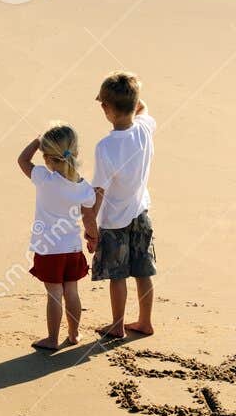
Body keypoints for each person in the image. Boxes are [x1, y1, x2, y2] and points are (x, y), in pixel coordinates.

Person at [84, 73, 157, 340]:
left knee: (118, 275)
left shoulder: (105, 147)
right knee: (143, 270)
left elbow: (99, 190)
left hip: (115, 220)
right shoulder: (145, 128)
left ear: (106, 109)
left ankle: (118, 325)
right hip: (141, 213)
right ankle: (145, 321)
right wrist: (134, 97)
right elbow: (144, 109)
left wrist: (90, 222)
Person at [17, 125, 96, 351]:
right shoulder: (84, 188)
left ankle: (52, 339)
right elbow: (89, 218)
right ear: (75, 152)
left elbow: (22, 161)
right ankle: (74, 334)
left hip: (48, 250)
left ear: (48, 158)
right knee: (72, 292)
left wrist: (36, 140)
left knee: (54, 295)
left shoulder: (44, 178)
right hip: (72, 248)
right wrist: (92, 238)